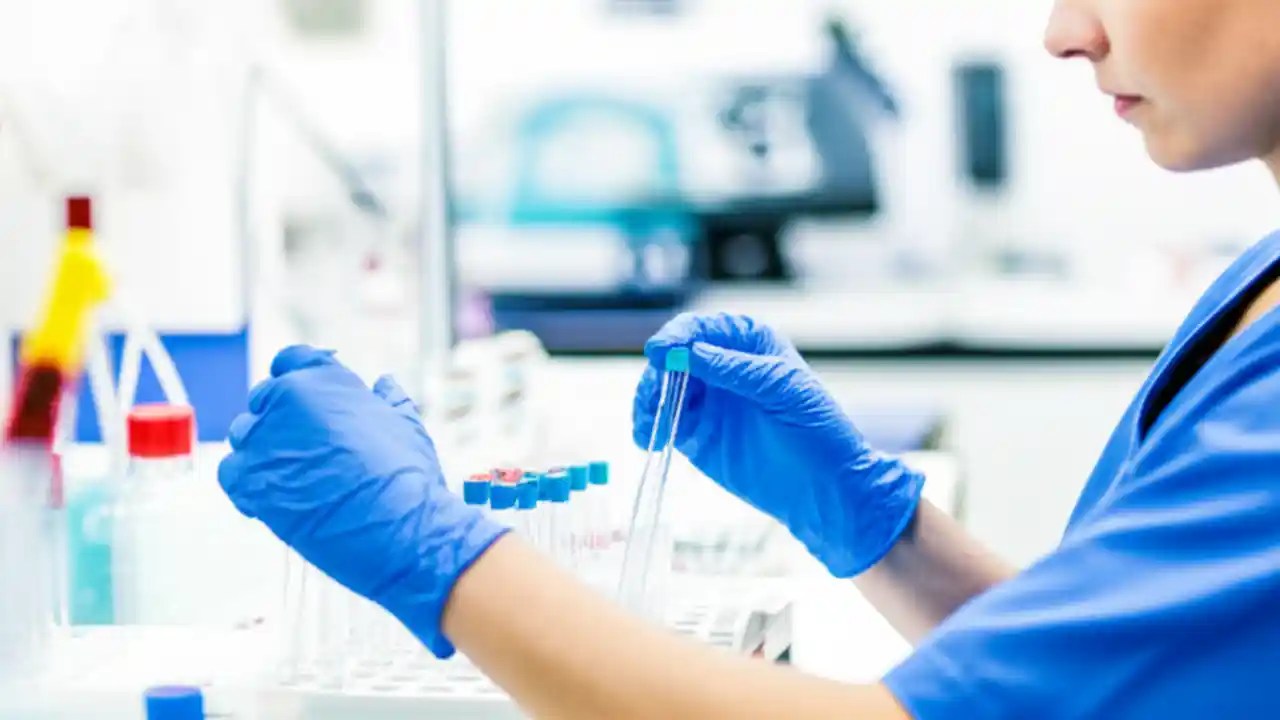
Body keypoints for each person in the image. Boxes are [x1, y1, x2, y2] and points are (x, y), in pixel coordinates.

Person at [217, 1, 1280, 717]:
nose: (1064, 31)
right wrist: (879, 527)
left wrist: (437, 563)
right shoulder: (1256, 280)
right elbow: (1103, 683)